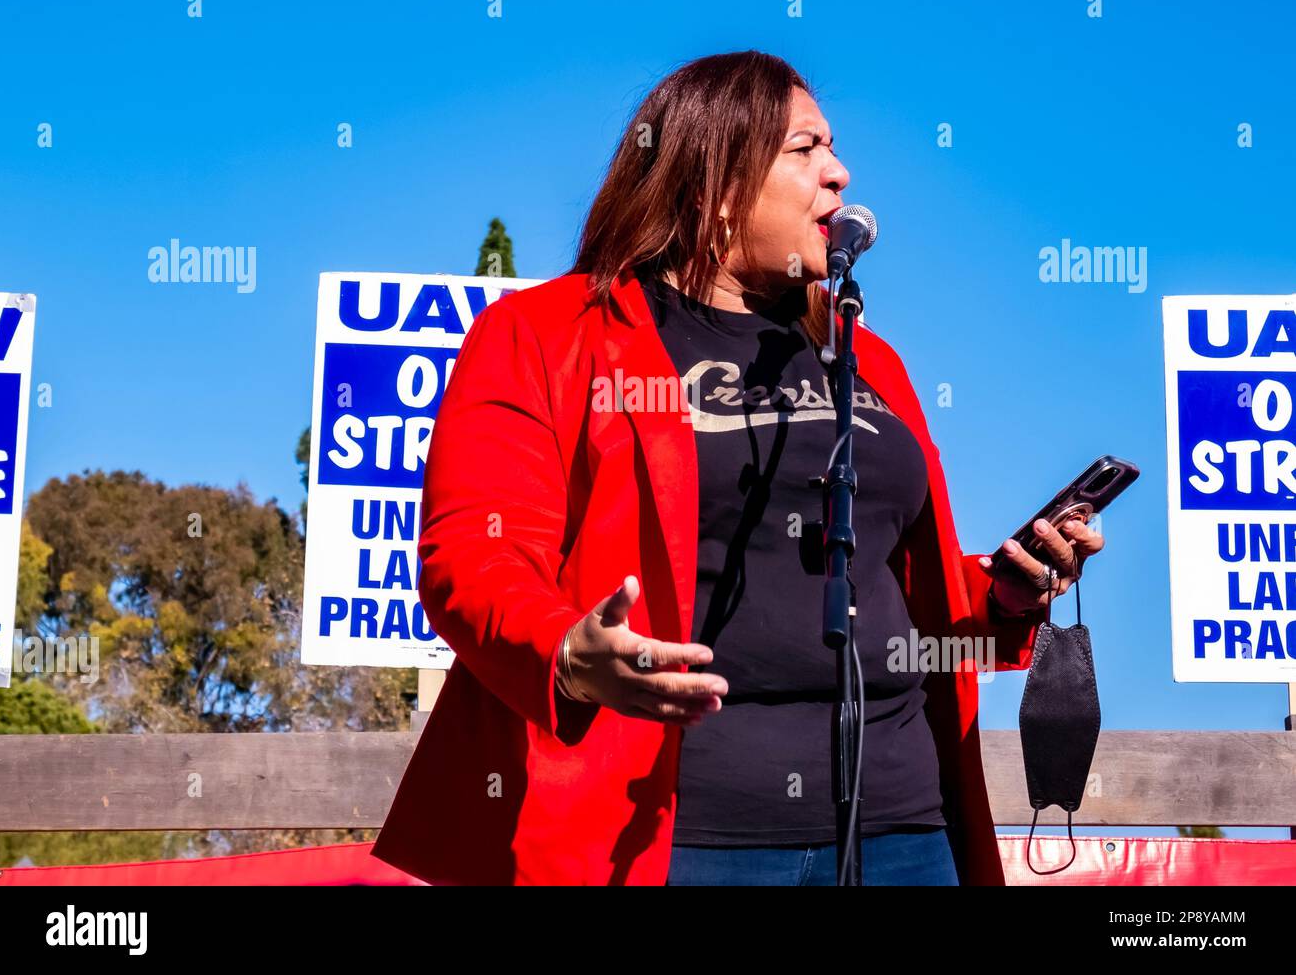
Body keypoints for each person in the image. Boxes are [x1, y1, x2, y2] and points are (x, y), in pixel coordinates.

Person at [370, 50, 1105, 886]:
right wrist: (570, 654)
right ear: (712, 183)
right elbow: (474, 554)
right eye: (806, 149)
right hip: (675, 839)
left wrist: (1003, 595)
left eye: (834, 148)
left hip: (904, 830)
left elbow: (901, 601)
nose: (841, 174)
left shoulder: (872, 362)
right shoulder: (542, 335)